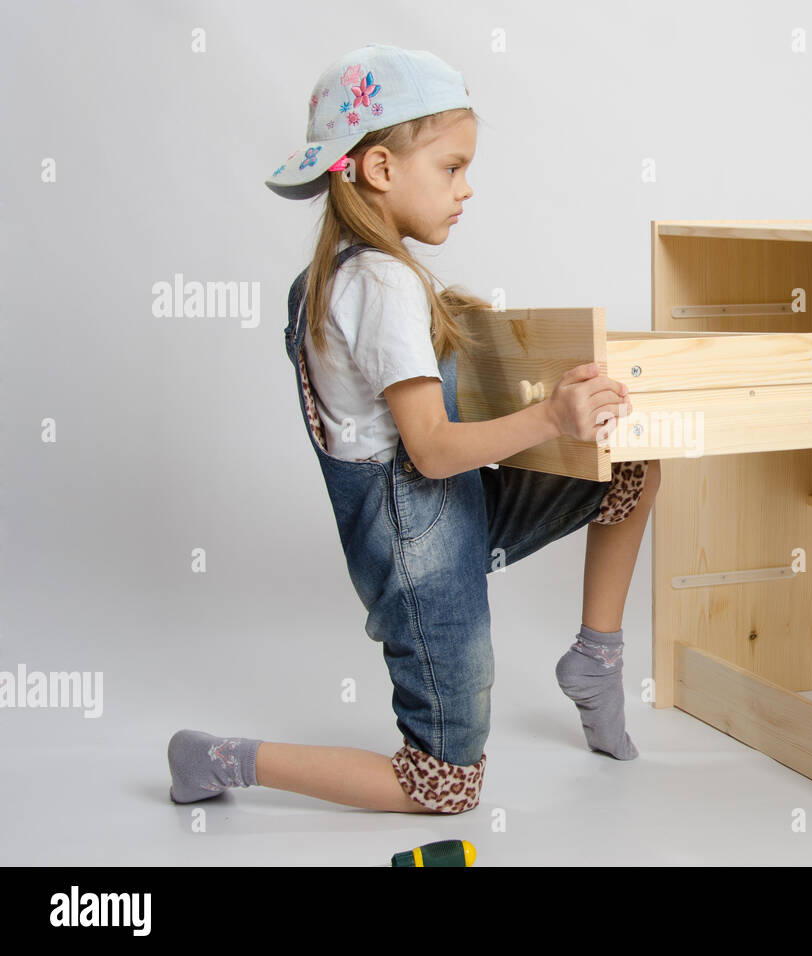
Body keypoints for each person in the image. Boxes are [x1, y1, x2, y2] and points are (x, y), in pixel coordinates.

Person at [167, 43, 659, 814]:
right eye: (452, 167)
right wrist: (550, 416)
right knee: (444, 787)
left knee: (628, 468)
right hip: (418, 547)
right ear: (380, 170)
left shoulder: (333, 279)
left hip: (443, 516)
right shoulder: (386, 285)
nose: (467, 189)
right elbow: (428, 451)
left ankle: (596, 659)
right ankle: (219, 759)